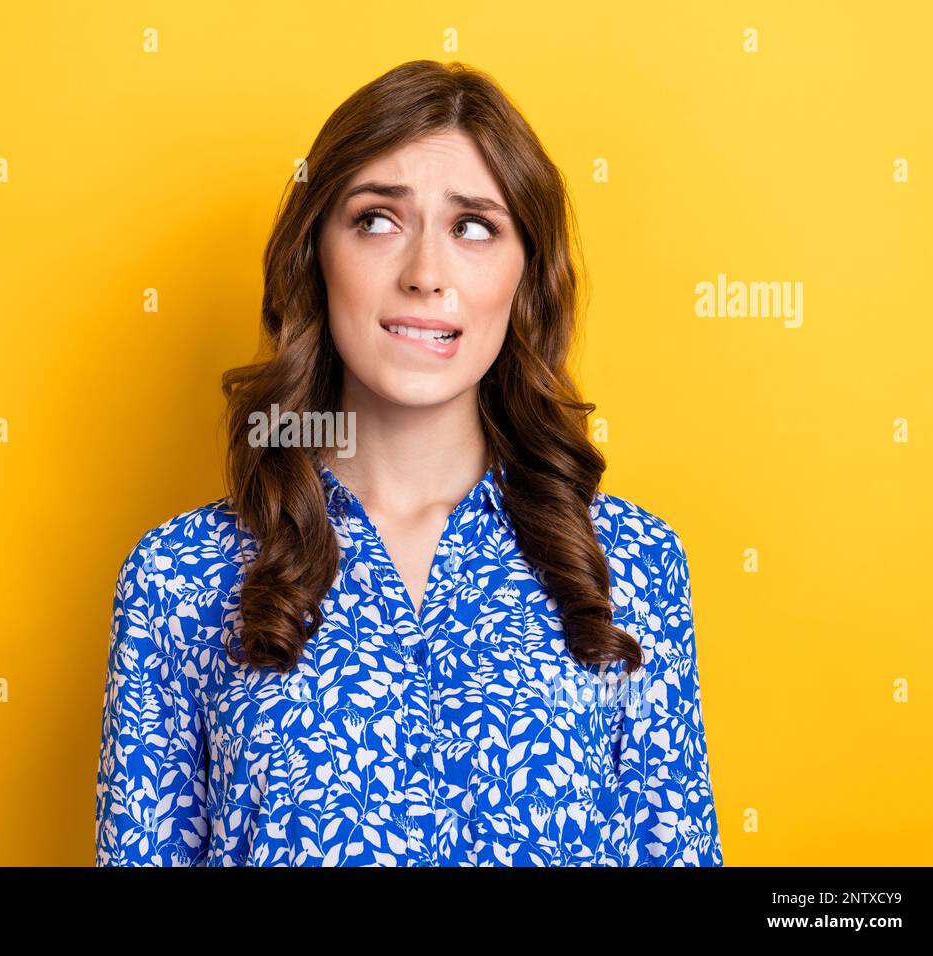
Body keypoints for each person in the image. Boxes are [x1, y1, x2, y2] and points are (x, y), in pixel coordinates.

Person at [94, 59, 722, 866]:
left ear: (525, 273)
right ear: (314, 255)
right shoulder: (178, 579)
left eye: (473, 227)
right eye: (378, 220)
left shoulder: (630, 565)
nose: (426, 274)